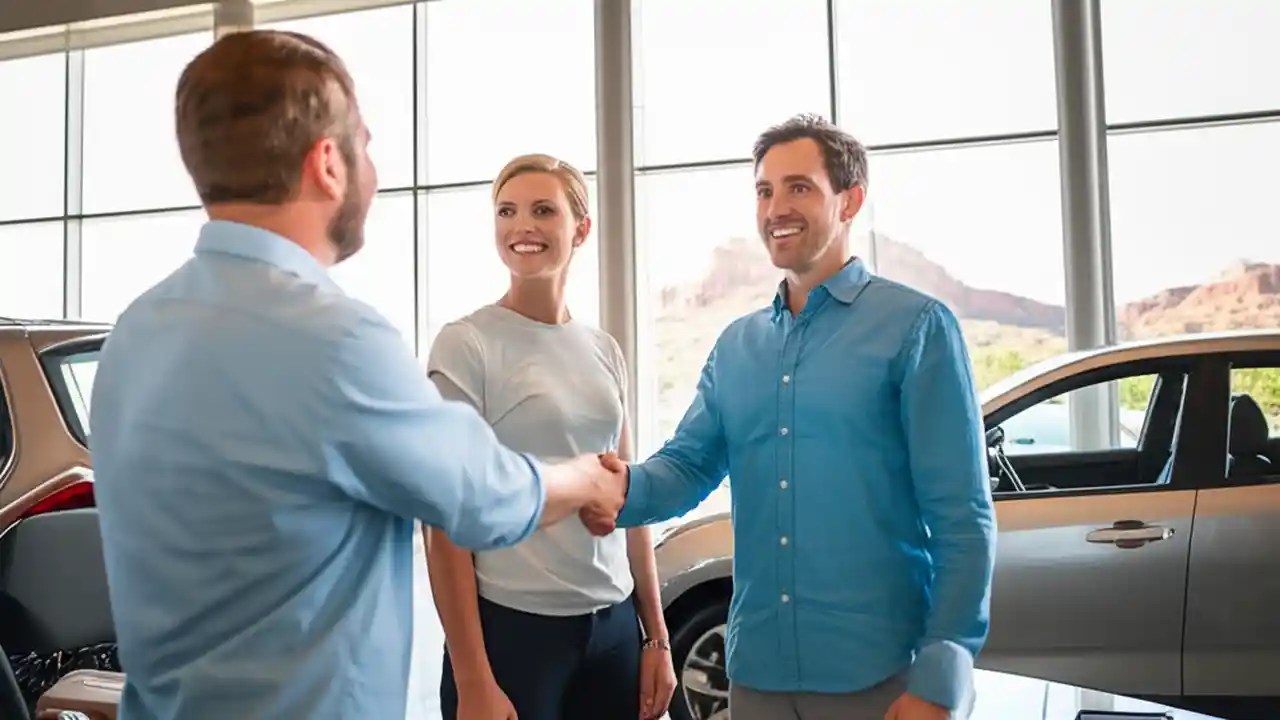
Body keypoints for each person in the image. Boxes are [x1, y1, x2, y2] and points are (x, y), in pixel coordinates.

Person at [88, 31, 626, 720]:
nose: (372, 170)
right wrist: (586, 478)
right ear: (327, 165)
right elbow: (482, 498)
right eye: (364, 146)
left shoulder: (134, 332)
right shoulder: (333, 339)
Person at [592, 113, 997, 720]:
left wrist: (941, 678)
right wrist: (619, 489)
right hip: (758, 673)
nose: (776, 207)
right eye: (764, 191)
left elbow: (962, 517)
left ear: (849, 200)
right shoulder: (737, 346)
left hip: (881, 674)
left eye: (798, 187)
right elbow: (689, 466)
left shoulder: (916, 328)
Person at [425, 154, 678, 720]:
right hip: (514, 632)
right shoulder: (467, 343)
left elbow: (627, 496)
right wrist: (472, 678)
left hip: (614, 627)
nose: (522, 226)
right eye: (507, 211)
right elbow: (444, 522)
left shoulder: (603, 349)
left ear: (580, 229)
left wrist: (656, 638)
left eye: (543, 210)